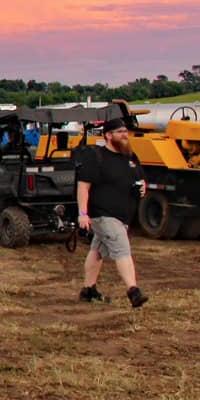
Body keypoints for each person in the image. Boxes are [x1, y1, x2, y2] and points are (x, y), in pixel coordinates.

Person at [77, 115, 148, 308]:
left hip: (123, 214)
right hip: (102, 214)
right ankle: (133, 290)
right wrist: (83, 214)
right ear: (108, 135)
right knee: (121, 248)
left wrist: (142, 186)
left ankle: (88, 290)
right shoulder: (97, 157)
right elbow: (83, 186)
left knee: (97, 251)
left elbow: (140, 178)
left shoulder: (130, 157)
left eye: (126, 131)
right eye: (120, 132)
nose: (125, 135)